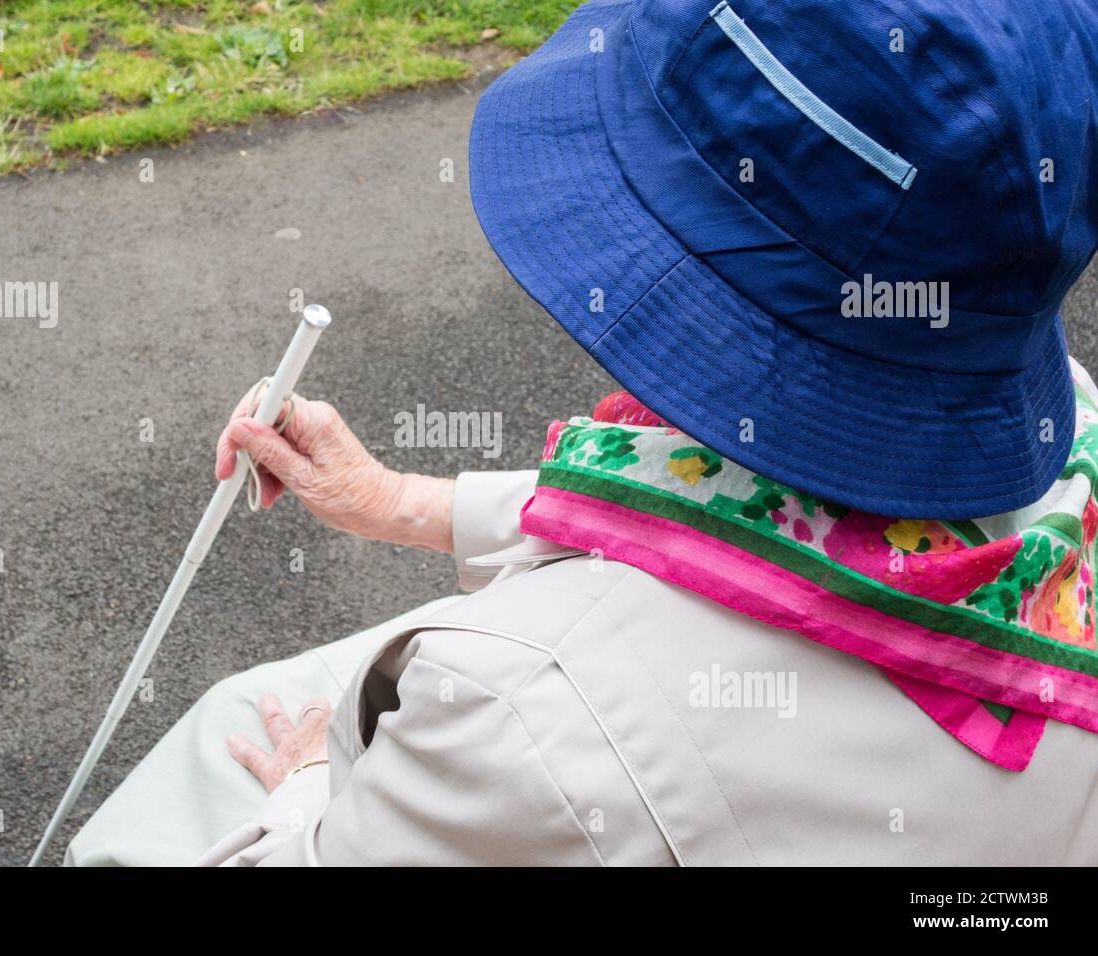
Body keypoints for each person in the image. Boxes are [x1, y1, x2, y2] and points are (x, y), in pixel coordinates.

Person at [66, 0, 1098, 865]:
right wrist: (397, 503)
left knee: (226, 731)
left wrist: (307, 779)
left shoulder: (522, 714)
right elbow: (772, 529)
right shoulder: (1074, 458)